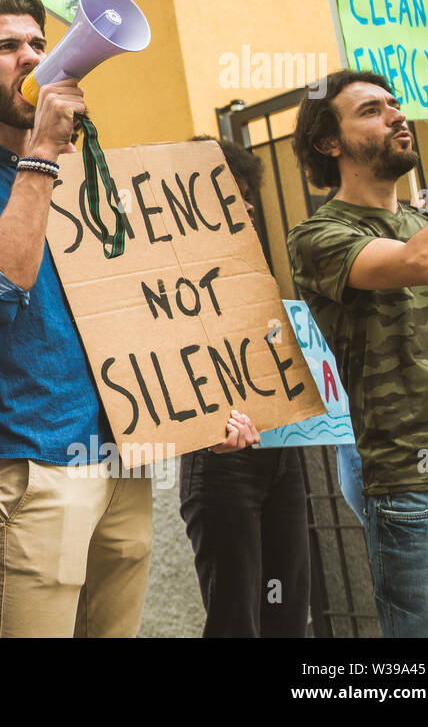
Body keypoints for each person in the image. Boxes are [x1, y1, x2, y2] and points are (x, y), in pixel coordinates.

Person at [0, 0, 257, 638]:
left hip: (125, 457)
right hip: (33, 462)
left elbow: (144, 305)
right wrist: (42, 153)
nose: (31, 58)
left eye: (39, 44)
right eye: (6, 47)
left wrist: (202, 407)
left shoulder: (87, 174)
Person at [287, 69, 428, 638]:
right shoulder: (318, 236)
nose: (397, 115)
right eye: (371, 110)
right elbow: (422, 263)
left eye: (396, 105)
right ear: (330, 143)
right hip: (422, 493)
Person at [177, 137, 310, 637]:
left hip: (282, 454)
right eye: (232, 193)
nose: (249, 204)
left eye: (247, 191)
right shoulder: (162, 282)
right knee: (237, 618)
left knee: (288, 609)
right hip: (219, 461)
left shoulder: (252, 270)